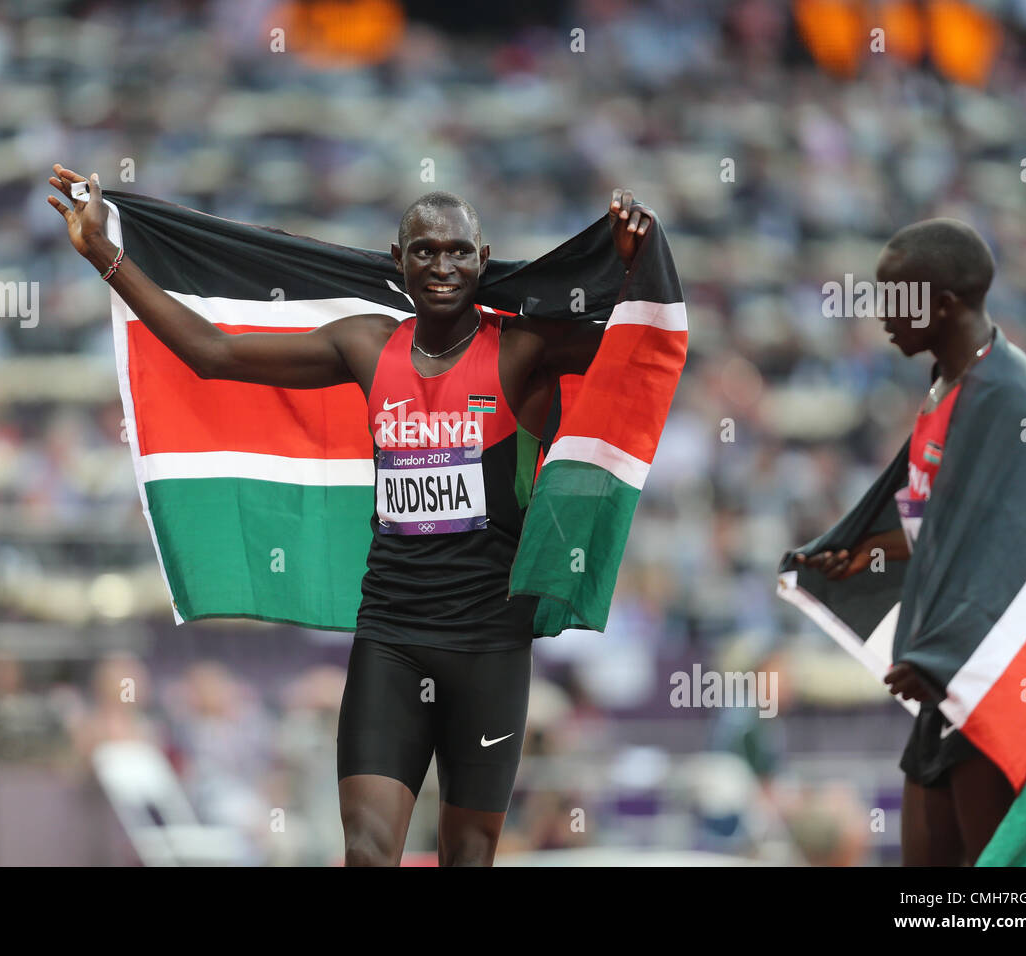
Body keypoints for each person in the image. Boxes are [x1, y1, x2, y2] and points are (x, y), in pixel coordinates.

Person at [47, 165, 652, 865]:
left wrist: (632, 271)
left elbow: (635, 348)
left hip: (489, 644)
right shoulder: (367, 344)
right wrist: (104, 255)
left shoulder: (523, 352)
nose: (443, 265)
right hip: (391, 637)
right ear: (399, 262)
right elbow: (212, 353)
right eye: (425, 250)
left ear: (484, 262)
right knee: (366, 849)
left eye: (459, 251)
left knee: (470, 854)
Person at [795, 219, 1023, 865]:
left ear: (944, 304)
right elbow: (938, 528)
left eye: (896, 298)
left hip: (991, 687)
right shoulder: (941, 391)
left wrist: (946, 654)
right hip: (943, 682)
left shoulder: (1006, 401)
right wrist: (865, 554)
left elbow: (1019, 557)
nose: (881, 315)